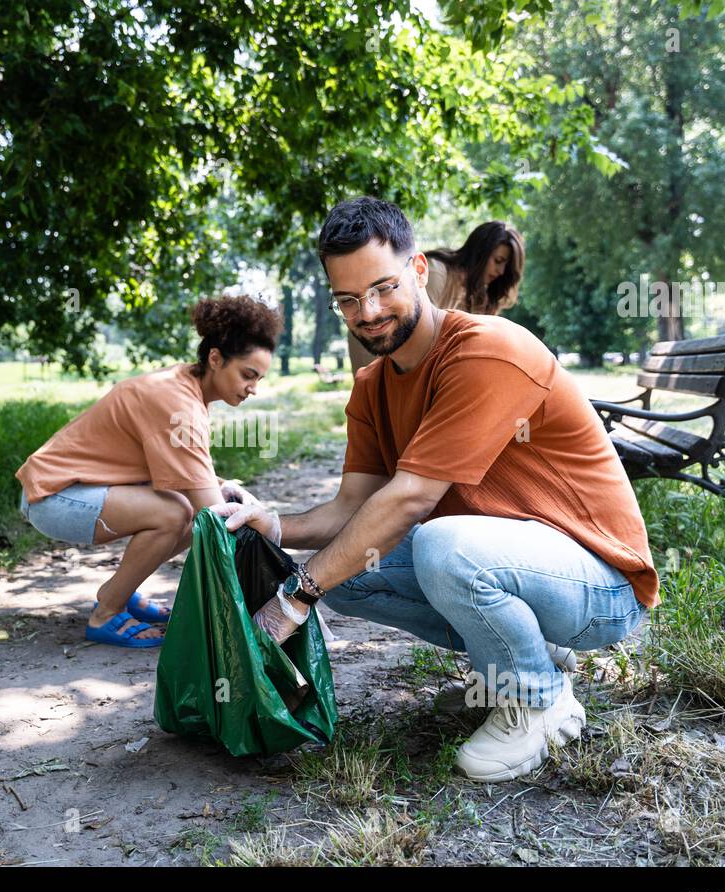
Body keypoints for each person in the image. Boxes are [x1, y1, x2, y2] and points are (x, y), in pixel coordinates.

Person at [216, 197, 658, 783]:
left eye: (383, 288)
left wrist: (294, 596)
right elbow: (352, 510)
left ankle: (536, 700)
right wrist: (274, 523)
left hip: (603, 587)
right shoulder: (373, 385)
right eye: (348, 299)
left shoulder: (486, 349)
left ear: (420, 270)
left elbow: (409, 500)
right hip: (527, 570)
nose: (367, 312)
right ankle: (512, 664)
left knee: (438, 547)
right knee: (349, 577)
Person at [16, 296, 281, 648]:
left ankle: (121, 593)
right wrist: (270, 587)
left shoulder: (185, 386)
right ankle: (106, 612)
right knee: (175, 513)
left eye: (259, 378)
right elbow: (216, 517)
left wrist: (227, 488)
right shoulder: (178, 403)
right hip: (53, 497)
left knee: (183, 510)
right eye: (248, 375)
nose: (253, 388)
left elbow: (188, 476)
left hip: (78, 490)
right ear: (215, 358)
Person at [347, 220, 525, 371]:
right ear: (480, 253)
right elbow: (419, 334)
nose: (500, 271)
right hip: (377, 340)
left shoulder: (479, 297)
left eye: (505, 267)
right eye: (498, 261)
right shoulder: (437, 272)